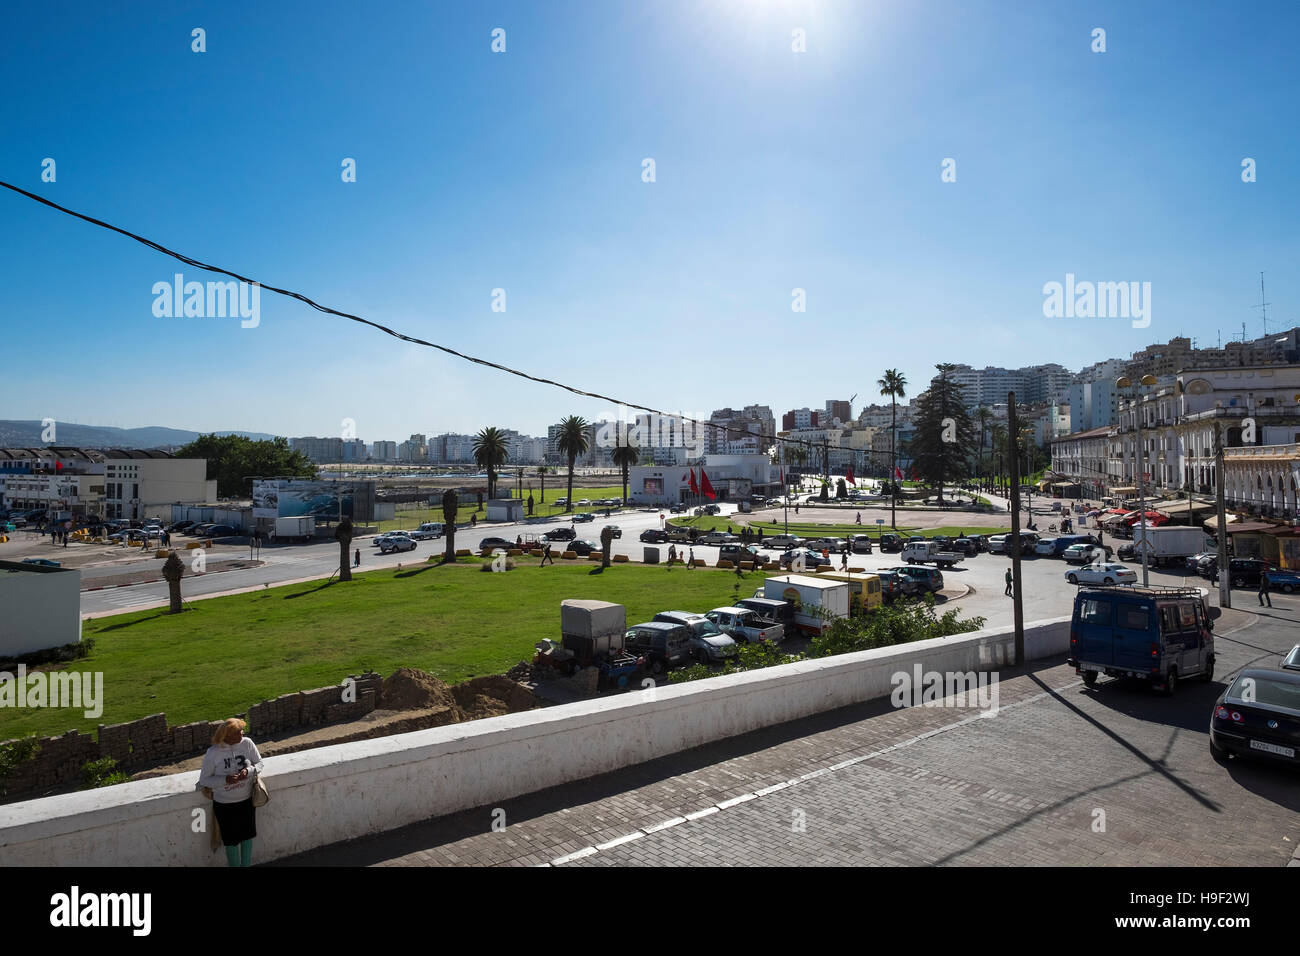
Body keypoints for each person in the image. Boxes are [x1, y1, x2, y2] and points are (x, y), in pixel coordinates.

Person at [197, 718, 264, 868]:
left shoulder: (247, 743)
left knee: (247, 837)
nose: (242, 733)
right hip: (224, 805)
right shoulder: (213, 752)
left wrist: (249, 771)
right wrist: (225, 780)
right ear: (227, 735)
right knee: (231, 841)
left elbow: (260, 763)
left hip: (246, 800)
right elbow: (204, 780)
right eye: (238, 731)